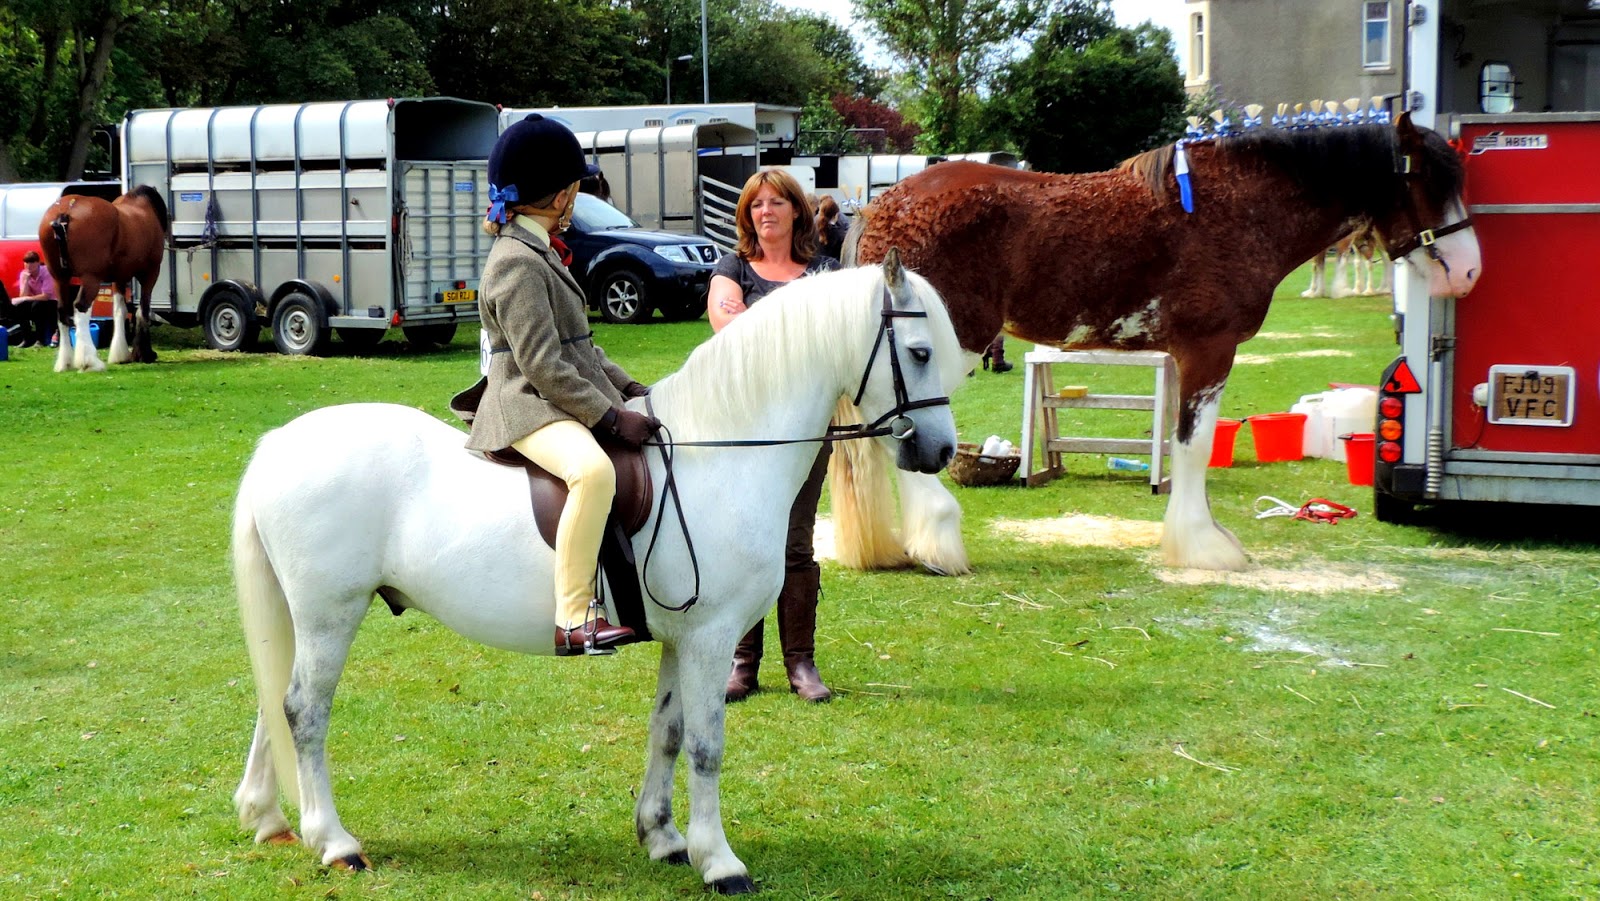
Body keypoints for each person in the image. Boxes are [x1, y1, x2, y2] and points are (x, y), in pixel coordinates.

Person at [449, 114, 657, 657]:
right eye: (576, 189)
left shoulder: (538, 250)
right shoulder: (517, 262)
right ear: (561, 196)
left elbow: (582, 349)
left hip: (551, 395)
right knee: (592, 472)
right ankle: (573, 616)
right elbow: (543, 365)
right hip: (525, 404)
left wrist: (633, 389)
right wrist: (609, 418)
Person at [709, 168, 839, 703]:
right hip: (744, 426)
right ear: (747, 215)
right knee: (746, 540)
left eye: (776, 202)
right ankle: (742, 662)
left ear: (796, 211)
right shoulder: (733, 267)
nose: (766, 211)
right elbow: (726, 328)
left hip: (807, 431)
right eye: (756, 204)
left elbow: (832, 342)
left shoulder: (826, 271)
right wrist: (796, 326)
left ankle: (801, 662)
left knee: (795, 542)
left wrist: (757, 318)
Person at [10, 250, 59, 348]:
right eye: (26, 262)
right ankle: (27, 338)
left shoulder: (46, 272)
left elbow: (46, 296)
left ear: (38, 263)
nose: (29, 265)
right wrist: (26, 281)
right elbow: (22, 296)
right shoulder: (24, 274)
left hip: (52, 302)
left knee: (37, 306)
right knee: (20, 306)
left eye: (32, 262)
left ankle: (40, 340)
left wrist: (26, 298)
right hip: (35, 300)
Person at [813, 194, 849, 262]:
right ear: (835, 215)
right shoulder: (839, 234)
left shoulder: (813, 231)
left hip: (815, 264)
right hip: (833, 266)